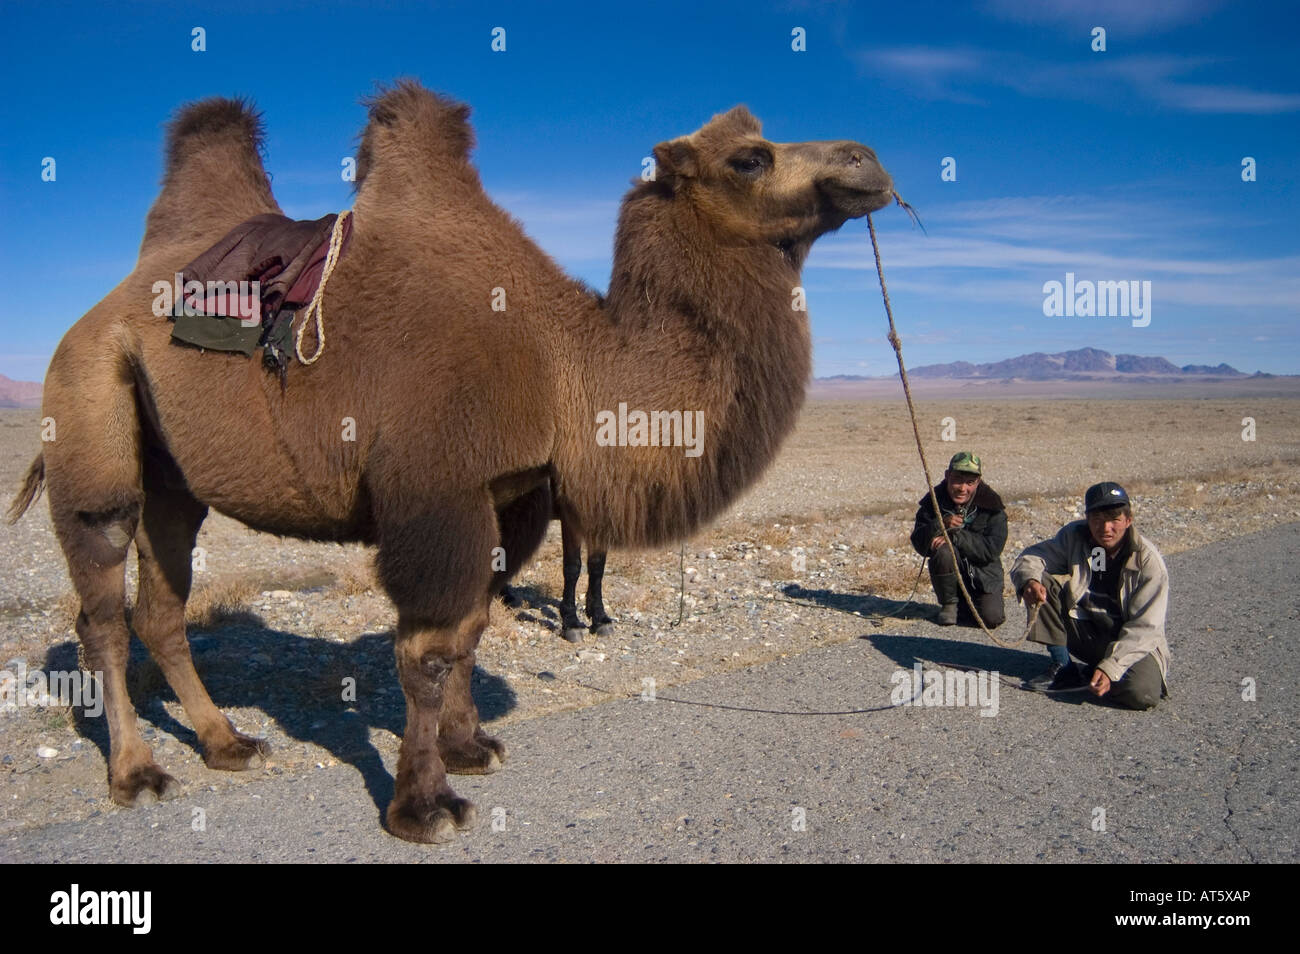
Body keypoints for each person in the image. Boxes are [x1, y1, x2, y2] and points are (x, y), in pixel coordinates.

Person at [1011, 482, 1169, 709]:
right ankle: (1063, 669)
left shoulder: (1147, 561)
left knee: (1140, 694)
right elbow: (1033, 556)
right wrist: (1030, 580)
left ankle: (1103, 671)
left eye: (1114, 519)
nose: (1105, 527)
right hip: (1087, 630)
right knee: (1039, 580)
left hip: (1131, 641)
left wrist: (1111, 667)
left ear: (1128, 519)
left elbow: (1146, 628)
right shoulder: (1075, 537)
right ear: (1087, 519)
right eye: (1097, 518)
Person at [909, 451, 1006, 628]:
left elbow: (990, 551)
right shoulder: (934, 500)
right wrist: (940, 524)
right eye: (957, 480)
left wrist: (954, 534)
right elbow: (918, 542)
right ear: (947, 476)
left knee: (992, 619)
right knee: (943, 551)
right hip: (950, 571)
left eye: (970, 482)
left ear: (978, 481)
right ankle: (949, 605)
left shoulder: (992, 504)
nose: (962, 488)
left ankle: (967, 605)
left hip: (984, 576)